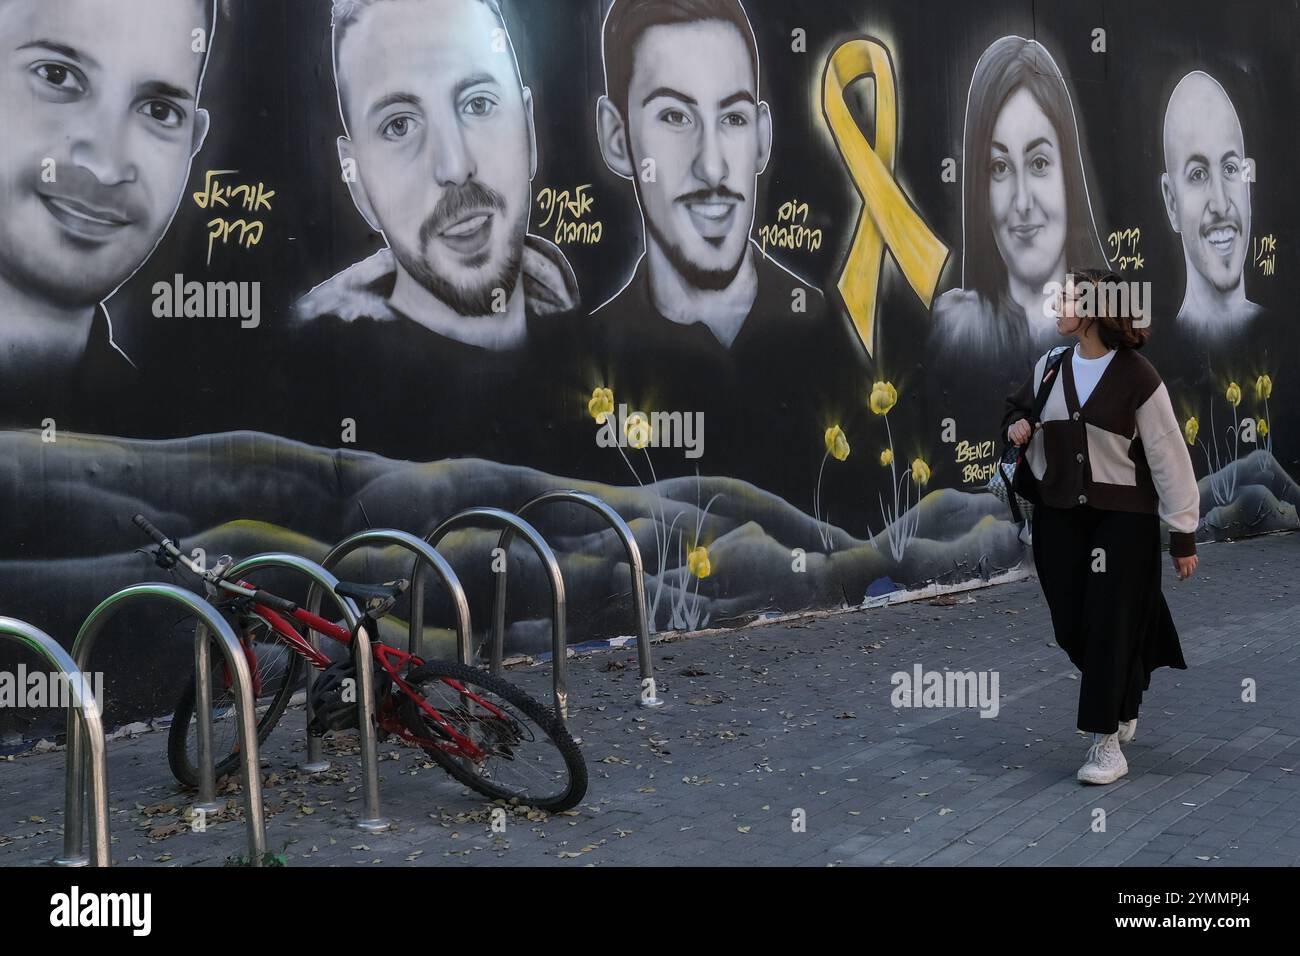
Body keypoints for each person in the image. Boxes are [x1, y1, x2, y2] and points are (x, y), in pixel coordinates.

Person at [589, 0, 864, 504]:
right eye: (674, 116)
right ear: (616, 137)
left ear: (762, 137)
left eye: (733, 118)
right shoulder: (592, 355)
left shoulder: (831, 331)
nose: (713, 168)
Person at [1004, 268, 1200, 785]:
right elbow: (1016, 411)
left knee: (1110, 622)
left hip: (1123, 520)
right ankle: (1125, 688)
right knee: (1072, 624)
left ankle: (1105, 743)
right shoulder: (1051, 365)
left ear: (1092, 309)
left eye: (1066, 297)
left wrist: (1182, 533)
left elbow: (1167, 455)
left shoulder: (1137, 376)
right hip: (1059, 515)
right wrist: (1016, 426)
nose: (1057, 306)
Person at [295, 0, 579, 345]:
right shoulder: (313, 375)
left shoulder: (586, 333)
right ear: (357, 183)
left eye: (478, 104)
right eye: (399, 125)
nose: (455, 168)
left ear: (529, 133)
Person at [0, 0, 216, 422]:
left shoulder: (166, 450)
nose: (105, 163)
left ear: (194, 141)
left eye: (159, 110)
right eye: (56, 75)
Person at [931, 37, 1110, 380]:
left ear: (1068, 174)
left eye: (1039, 162)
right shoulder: (955, 333)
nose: (1022, 202)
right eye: (999, 167)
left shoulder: (1113, 319)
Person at [1160, 71, 1261, 341]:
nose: (1220, 203)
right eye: (1198, 174)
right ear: (1172, 202)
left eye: (1230, 168)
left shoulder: (1287, 338)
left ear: (1247, 186)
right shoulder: (1161, 353)